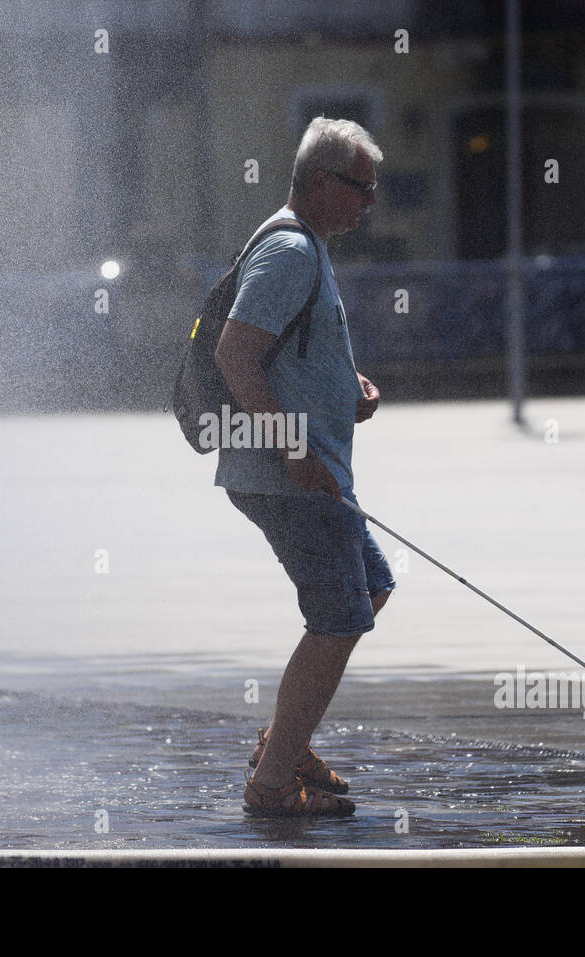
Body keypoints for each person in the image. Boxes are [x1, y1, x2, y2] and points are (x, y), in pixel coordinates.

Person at [214, 117, 394, 816]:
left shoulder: (306, 242)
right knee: (339, 615)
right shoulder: (290, 248)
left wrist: (345, 390)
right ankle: (271, 781)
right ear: (322, 182)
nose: (369, 203)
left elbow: (289, 351)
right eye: (361, 189)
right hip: (288, 475)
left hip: (311, 471)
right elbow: (235, 352)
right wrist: (295, 446)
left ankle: (283, 740)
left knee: (369, 586)